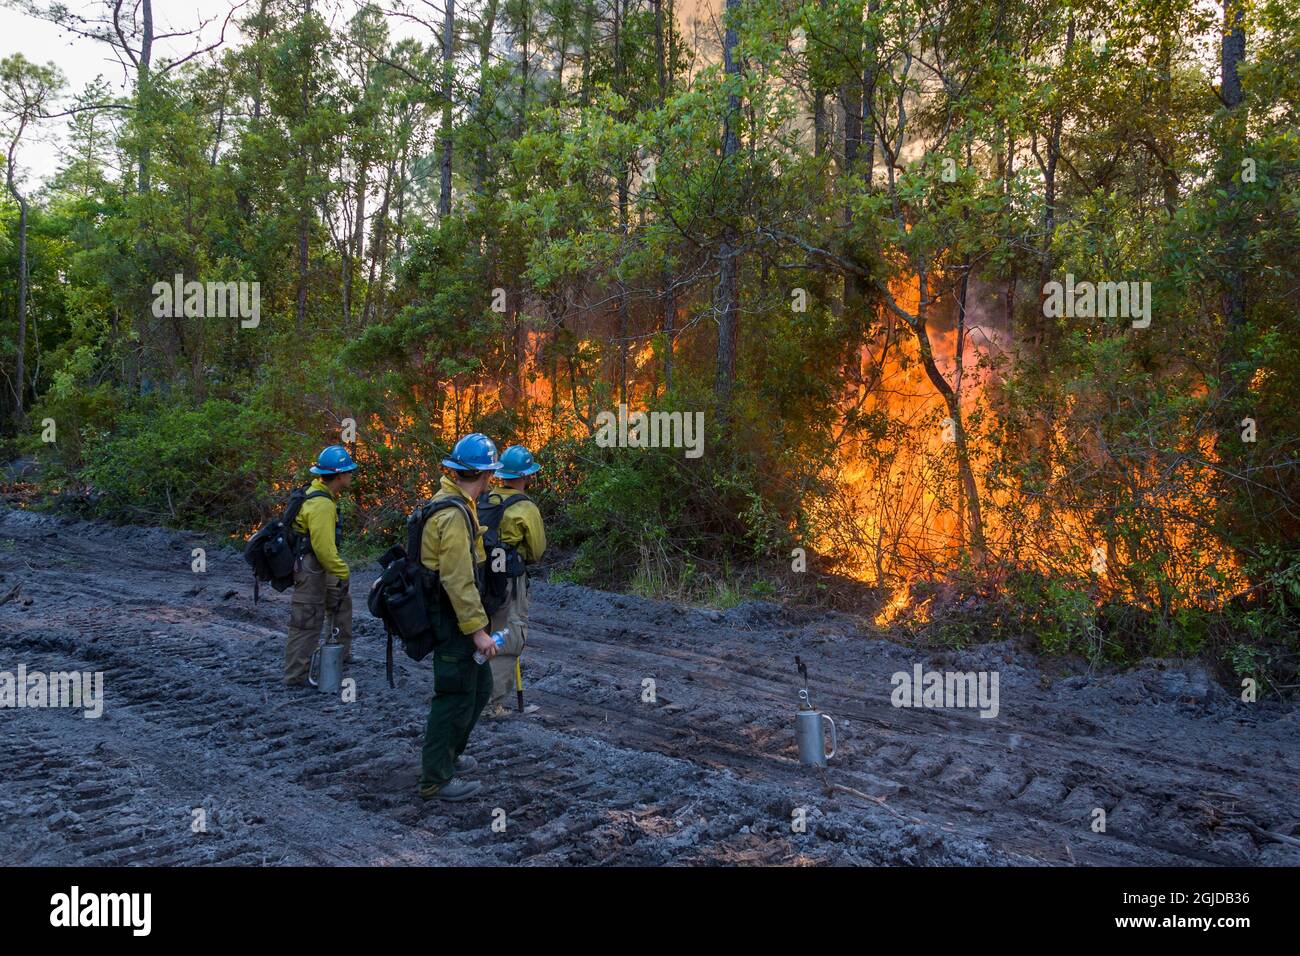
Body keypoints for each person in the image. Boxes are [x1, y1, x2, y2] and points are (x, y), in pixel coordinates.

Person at [417, 432, 503, 801]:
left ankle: (450, 755)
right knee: (454, 696)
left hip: (455, 619)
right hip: (453, 621)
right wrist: (478, 632)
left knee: (479, 687)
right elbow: (457, 579)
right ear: (485, 476)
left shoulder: (454, 502)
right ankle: (435, 779)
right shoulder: (452, 514)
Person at [478, 445, 547, 716]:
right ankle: (491, 704)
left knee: (483, 631)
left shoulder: (486, 500)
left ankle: (475, 694)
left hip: (482, 578)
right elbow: (536, 550)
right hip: (509, 580)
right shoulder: (526, 508)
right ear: (526, 476)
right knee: (509, 634)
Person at [284, 445, 356, 687]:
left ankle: (338, 658)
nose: (350, 475)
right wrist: (342, 571)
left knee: (341, 604)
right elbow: (324, 549)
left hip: (315, 566)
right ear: (338, 475)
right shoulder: (322, 504)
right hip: (312, 568)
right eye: (348, 471)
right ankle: (296, 676)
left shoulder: (319, 495)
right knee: (307, 620)